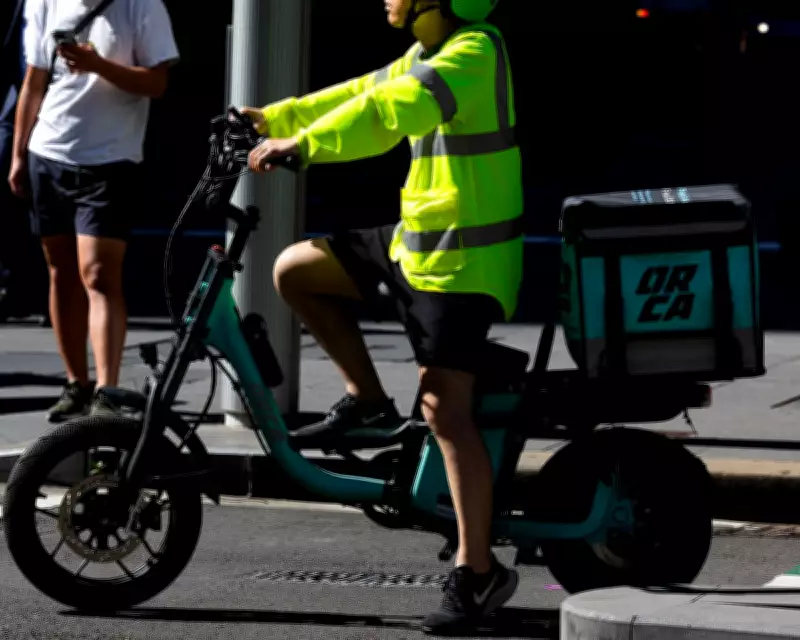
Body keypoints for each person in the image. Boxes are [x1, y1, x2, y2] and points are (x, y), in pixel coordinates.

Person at [243, 0, 523, 633]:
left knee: (442, 409)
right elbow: (362, 90)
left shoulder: (475, 53)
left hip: (464, 262)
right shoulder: (423, 53)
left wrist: (303, 144)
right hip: (416, 242)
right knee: (294, 269)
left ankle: (478, 572)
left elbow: (388, 113)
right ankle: (366, 400)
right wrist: (273, 117)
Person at [8, 0, 179, 422]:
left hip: (112, 159)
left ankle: (107, 388)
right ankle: (76, 382)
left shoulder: (143, 6)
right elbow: (34, 80)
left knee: (99, 274)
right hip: (48, 152)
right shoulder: (44, 1)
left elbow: (156, 83)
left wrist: (98, 65)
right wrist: (18, 154)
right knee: (60, 271)